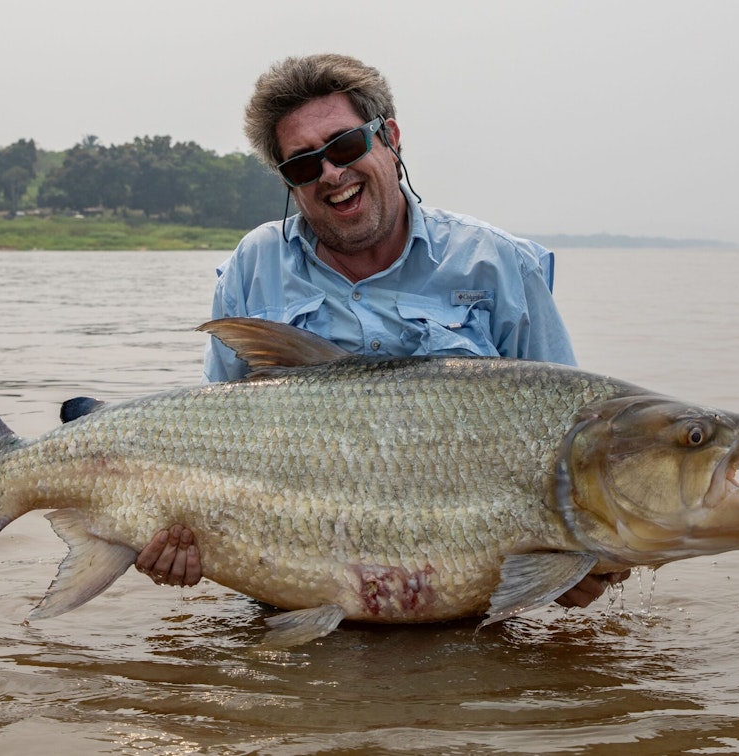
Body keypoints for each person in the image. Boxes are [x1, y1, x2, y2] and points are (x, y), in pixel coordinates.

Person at [134, 53, 628, 608]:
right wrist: (178, 540)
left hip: (460, 618)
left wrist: (577, 568)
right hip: (291, 601)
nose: (331, 174)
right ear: (289, 182)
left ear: (389, 138)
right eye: (302, 165)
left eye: (345, 147)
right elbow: (212, 446)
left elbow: (564, 437)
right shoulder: (254, 266)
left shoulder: (497, 264)